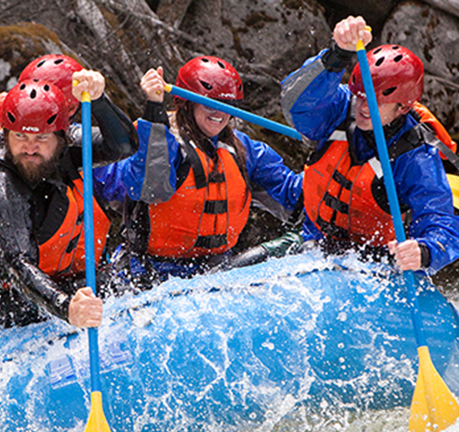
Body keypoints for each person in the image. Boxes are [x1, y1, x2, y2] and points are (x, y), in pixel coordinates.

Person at [0, 72, 138, 336]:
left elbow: (123, 146)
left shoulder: (63, 147)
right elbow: (19, 263)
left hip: (20, 288)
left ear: (62, 138)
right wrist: (68, 309)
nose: (30, 149)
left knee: (110, 284)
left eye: (41, 138)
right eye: (19, 138)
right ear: (5, 136)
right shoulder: (0, 188)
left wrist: (99, 101)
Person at [94, 57, 304, 288]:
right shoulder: (160, 139)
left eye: (224, 104)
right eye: (208, 103)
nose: (218, 112)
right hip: (149, 273)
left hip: (215, 271)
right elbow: (151, 188)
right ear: (187, 103)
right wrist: (154, 108)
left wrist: (328, 152)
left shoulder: (244, 151)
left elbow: (294, 199)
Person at [281, 16, 459, 273]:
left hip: (374, 266)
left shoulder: (416, 157)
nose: (364, 108)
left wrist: (425, 250)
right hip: (313, 246)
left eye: (376, 103)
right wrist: (337, 55)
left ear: (403, 107)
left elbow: (441, 221)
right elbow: (295, 104)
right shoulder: (341, 107)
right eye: (361, 97)